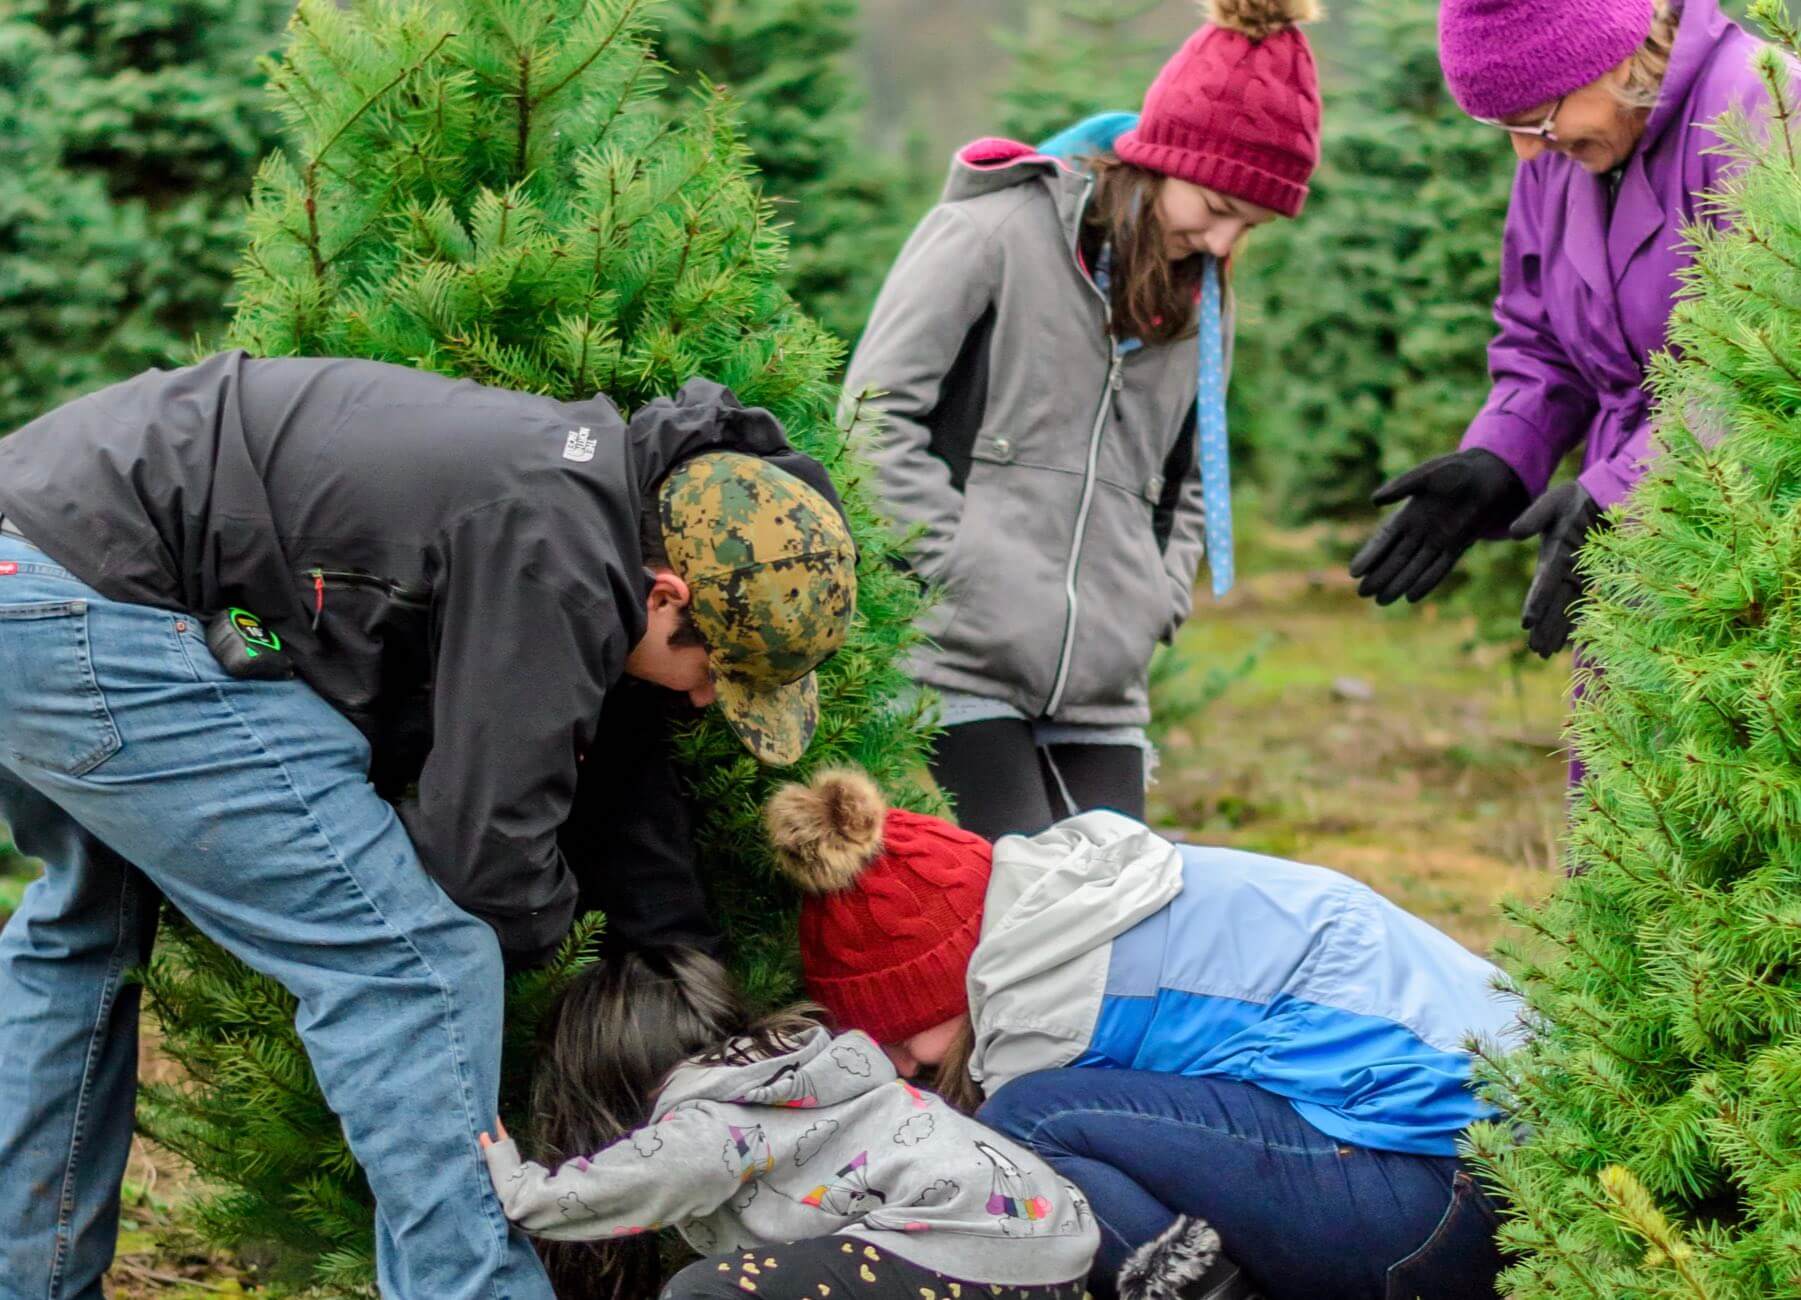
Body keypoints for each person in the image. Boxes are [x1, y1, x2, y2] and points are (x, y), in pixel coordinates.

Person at [0, 351, 857, 1300]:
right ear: (669, 597)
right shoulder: (558, 559)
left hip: (37, 548)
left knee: (83, 930)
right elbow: (480, 860)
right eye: (715, 676)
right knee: (413, 967)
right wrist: (560, 951)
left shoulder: (585, 483)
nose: (704, 705)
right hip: (90, 601)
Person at [763, 769, 1521, 1300]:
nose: (897, 1064)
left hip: (1448, 1200)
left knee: (1020, 1126)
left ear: (942, 978)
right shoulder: (1089, 898)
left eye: (897, 1035)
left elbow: (963, 1159)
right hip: (1521, 1165)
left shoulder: (1046, 1006)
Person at [844, 0, 1322, 841]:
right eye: (1213, 208)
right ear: (1161, 161)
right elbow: (874, 414)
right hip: (957, 656)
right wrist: (953, 563)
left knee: (1113, 912)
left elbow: (1190, 476)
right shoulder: (990, 231)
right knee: (1029, 904)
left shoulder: (1203, 299)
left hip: (1103, 679)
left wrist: (1154, 596)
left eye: (1246, 227)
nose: (1219, 243)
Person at [1350, 0, 1770, 660]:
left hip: (1758, 536)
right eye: (1503, 127)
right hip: (1631, 529)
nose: (1524, 150)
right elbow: (1540, 335)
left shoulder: (1762, 109)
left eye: (1536, 119)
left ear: (1610, 56)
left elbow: (1765, 359)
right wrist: (1502, 453)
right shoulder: (1561, 149)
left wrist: (1622, 492)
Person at [479, 946, 1099, 1300]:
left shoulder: (714, 1114)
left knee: (708, 1295)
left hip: (963, 1251)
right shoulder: (800, 1072)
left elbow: (662, 1170)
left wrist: (522, 1190)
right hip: (1049, 1246)